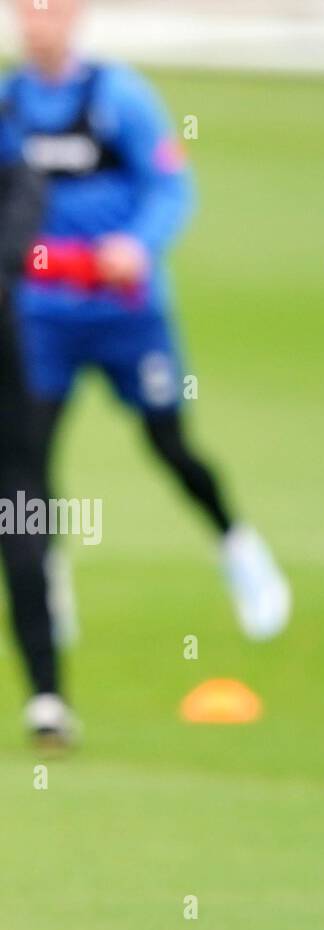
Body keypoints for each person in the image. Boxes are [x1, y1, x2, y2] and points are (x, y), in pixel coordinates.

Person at [0, 0, 290, 740]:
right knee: (30, 454)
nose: (40, 24)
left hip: (128, 312)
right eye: (28, 11)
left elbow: (171, 188)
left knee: (169, 443)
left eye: (53, 10)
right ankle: (49, 578)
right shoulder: (10, 103)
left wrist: (138, 243)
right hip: (40, 316)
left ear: (76, 17)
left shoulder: (119, 96)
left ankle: (235, 544)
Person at [0, 152, 67, 742]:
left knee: (24, 541)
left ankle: (47, 695)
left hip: (8, 426)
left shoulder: (15, 168)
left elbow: (20, 234)